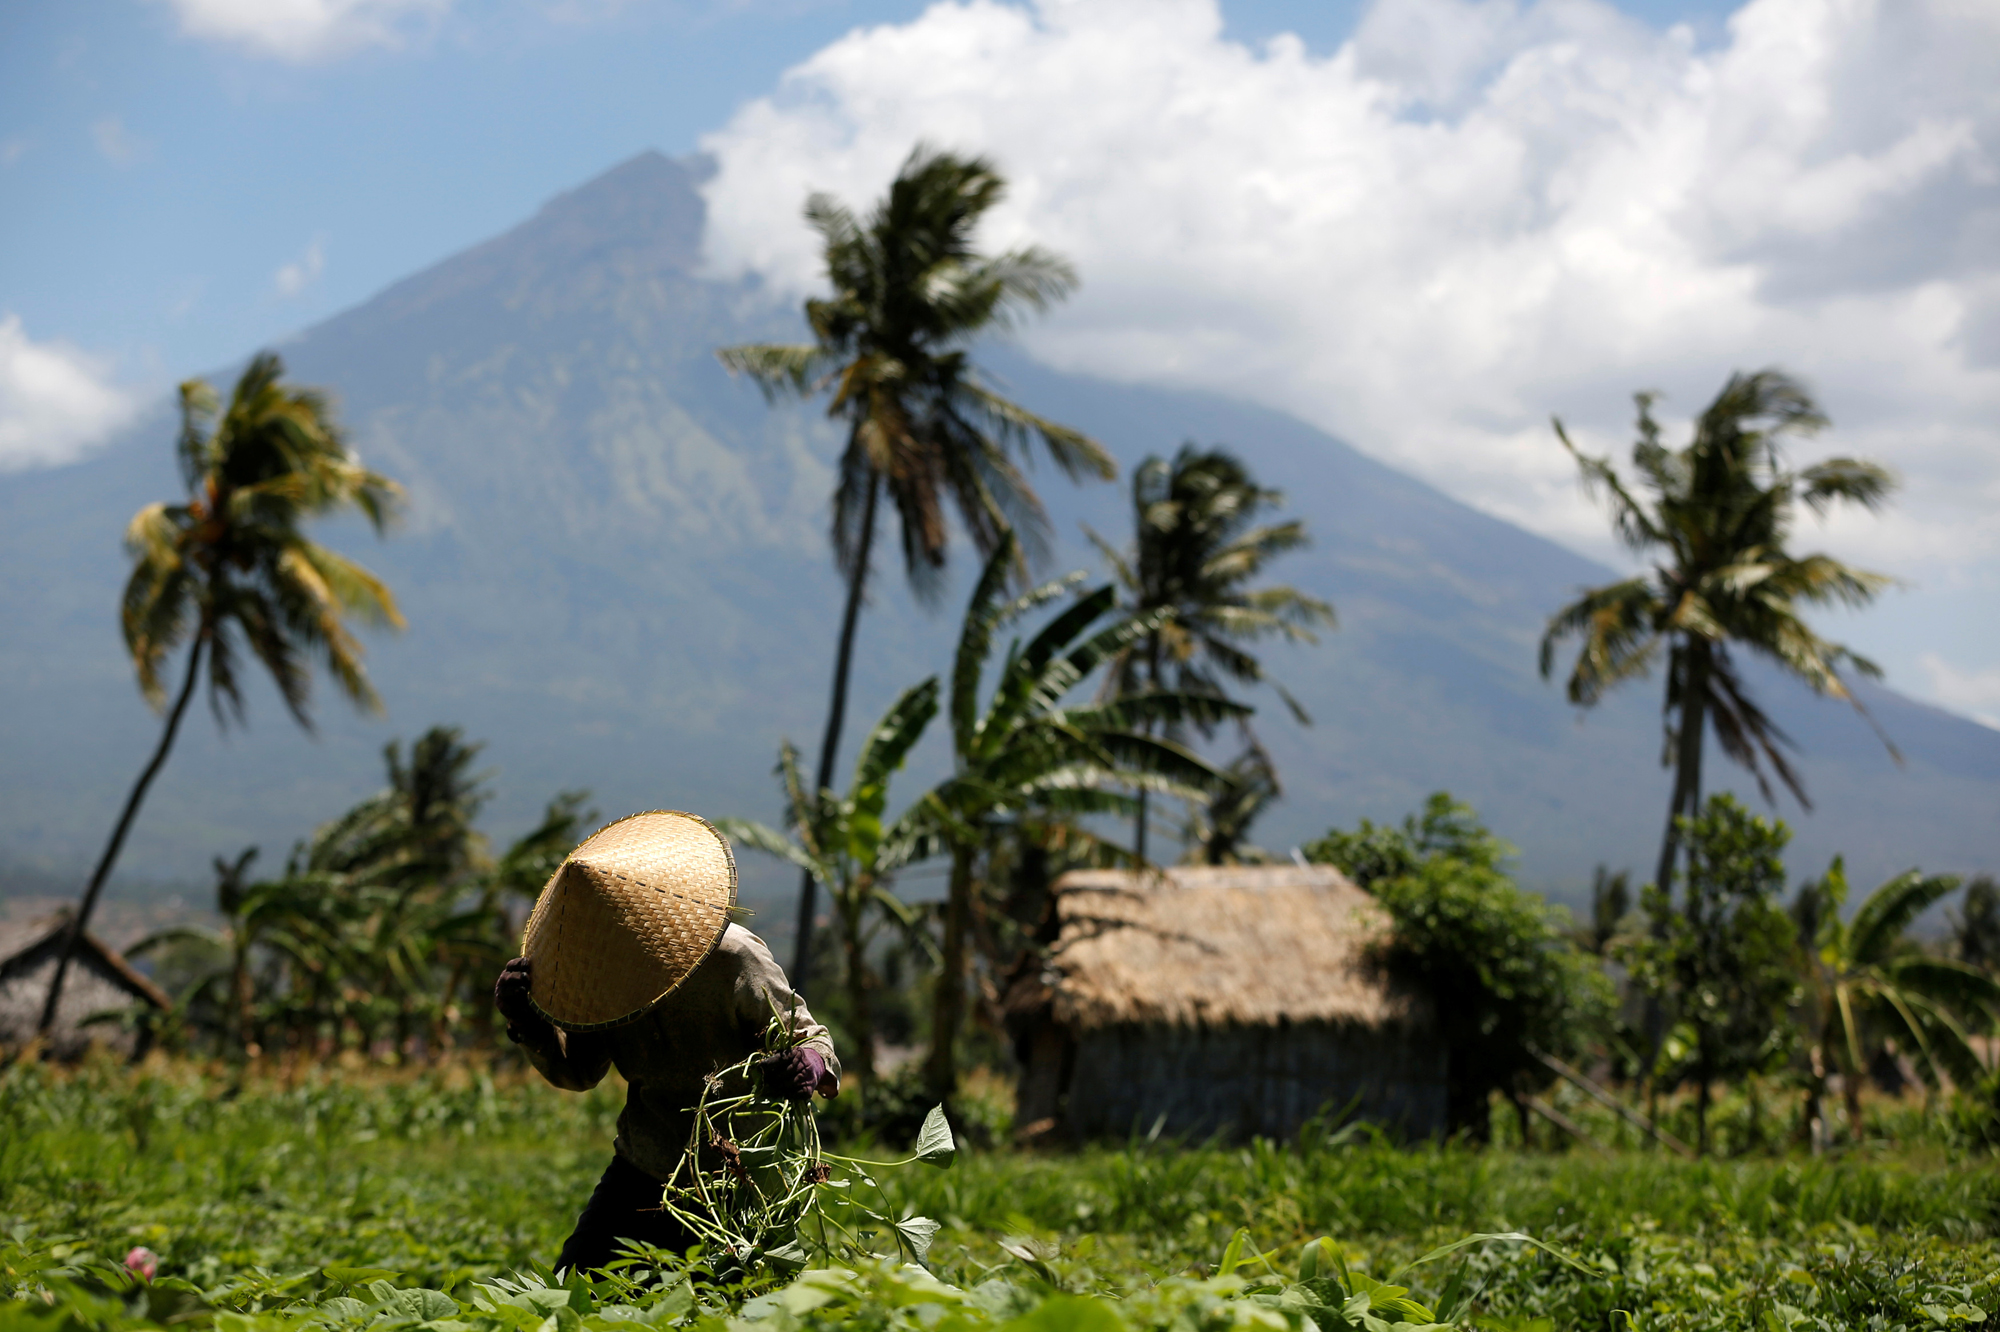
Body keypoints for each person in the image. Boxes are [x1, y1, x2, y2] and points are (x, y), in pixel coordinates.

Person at [493, 809, 839, 1274]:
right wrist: (527, 1024)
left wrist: (808, 1065)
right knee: (573, 1286)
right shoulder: (598, 979)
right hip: (644, 1169)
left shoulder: (733, 957)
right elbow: (579, 1071)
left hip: (741, 1181)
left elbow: (811, 1036)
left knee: (739, 1310)